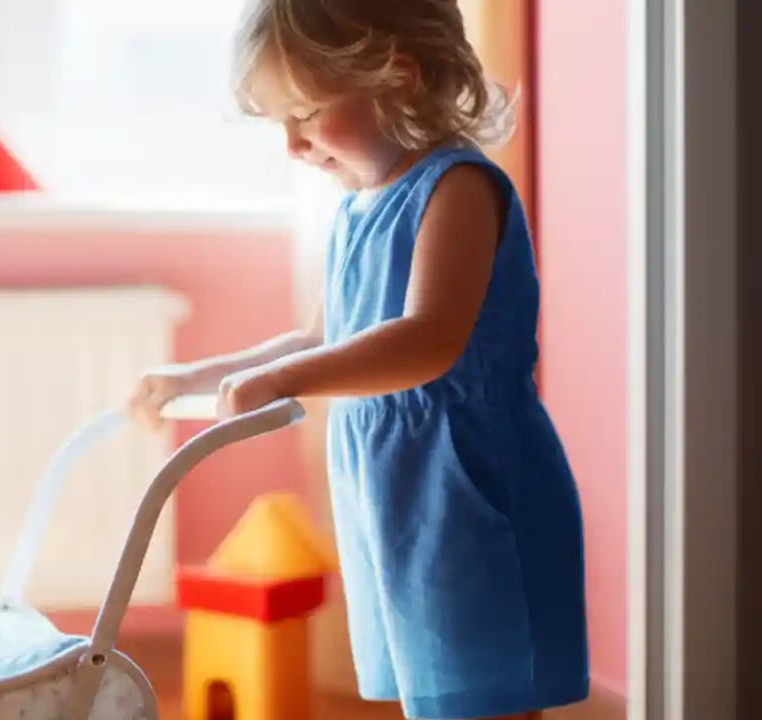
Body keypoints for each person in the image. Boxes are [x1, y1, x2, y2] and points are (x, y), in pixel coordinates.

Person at [128, 1, 589, 718]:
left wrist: (287, 382)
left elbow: (430, 339)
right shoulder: (356, 210)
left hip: (465, 484)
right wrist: (200, 377)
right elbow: (323, 337)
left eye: (306, 114)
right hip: (397, 495)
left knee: (484, 691)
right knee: (433, 691)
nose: (292, 145)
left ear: (397, 80)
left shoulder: (457, 188)